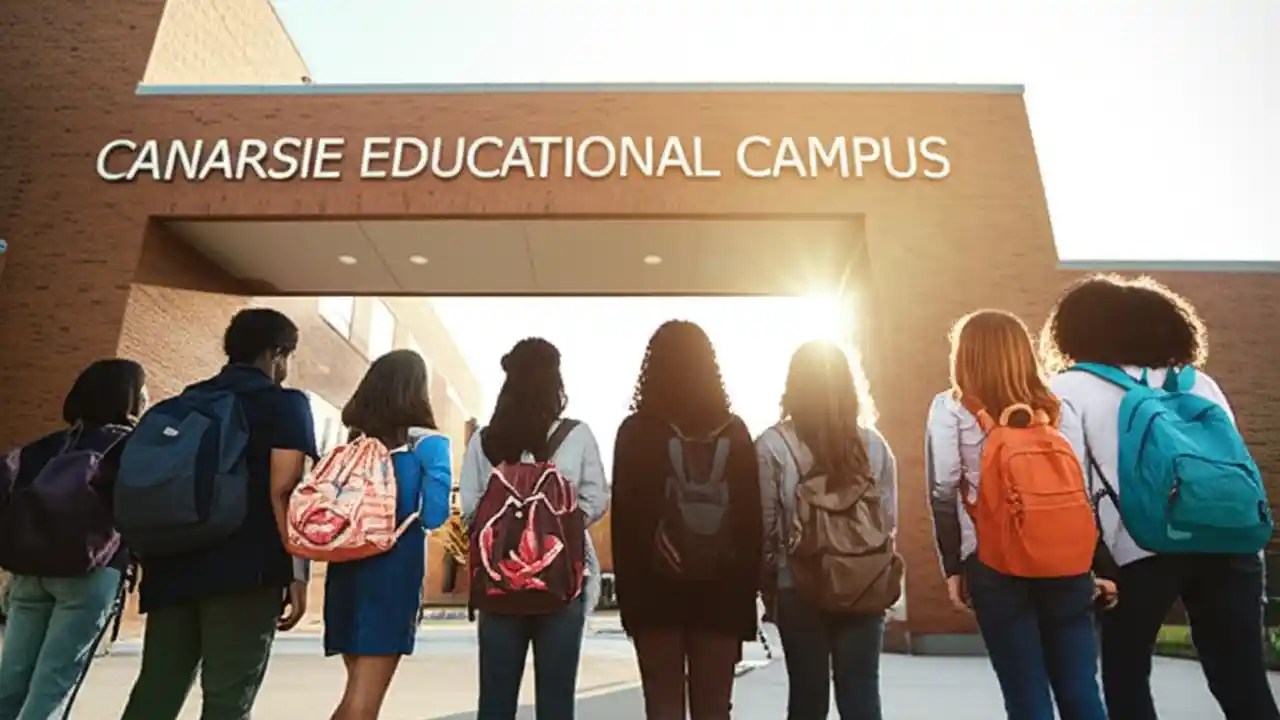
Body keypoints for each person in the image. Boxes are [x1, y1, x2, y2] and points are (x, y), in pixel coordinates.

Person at [1043, 274, 1280, 720]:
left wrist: (1086, 561)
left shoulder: (1068, 388)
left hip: (1137, 547)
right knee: (1241, 678)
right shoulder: (1198, 384)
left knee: (1126, 674)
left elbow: (1066, 479)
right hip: (1230, 540)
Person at [121, 308, 317, 720]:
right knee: (228, 697)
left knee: (157, 687)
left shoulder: (182, 403)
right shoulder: (285, 405)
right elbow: (284, 490)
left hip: (171, 561)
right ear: (277, 353)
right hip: (246, 569)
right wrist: (296, 573)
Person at [927, 309, 1107, 720]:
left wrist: (953, 566)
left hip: (995, 563)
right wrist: (1098, 564)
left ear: (964, 356)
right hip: (1067, 563)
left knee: (1026, 694)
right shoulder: (1058, 408)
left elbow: (942, 491)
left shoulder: (950, 408)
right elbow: (1083, 491)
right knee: (1080, 689)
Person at [612, 320, 762, 720]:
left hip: (654, 595)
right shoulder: (737, 433)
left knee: (662, 706)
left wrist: (630, 607)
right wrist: (747, 607)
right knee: (714, 709)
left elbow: (624, 527)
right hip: (722, 595)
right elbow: (752, 526)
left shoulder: (635, 433)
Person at [459, 338, 609, 720]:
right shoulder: (577, 436)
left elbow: (472, 510)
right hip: (561, 583)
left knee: (495, 700)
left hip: (499, 583)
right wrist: (556, 529)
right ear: (555, 381)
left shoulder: (484, 441)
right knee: (556, 702)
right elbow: (595, 499)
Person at [756, 340, 896, 720]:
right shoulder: (873, 445)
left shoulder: (773, 445)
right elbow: (888, 520)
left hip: (798, 584)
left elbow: (766, 528)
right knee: (862, 692)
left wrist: (769, 582)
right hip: (864, 583)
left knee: (807, 696)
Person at [0, 359, 147, 719]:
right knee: (54, 682)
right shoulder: (130, 447)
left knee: (11, 679)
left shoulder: (42, 447)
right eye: (142, 389)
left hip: (30, 571)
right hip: (91, 572)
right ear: (127, 397)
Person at [323, 349, 453, 720]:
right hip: (392, 575)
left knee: (354, 694)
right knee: (364, 704)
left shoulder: (353, 445)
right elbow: (434, 514)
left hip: (346, 571)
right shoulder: (428, 444)